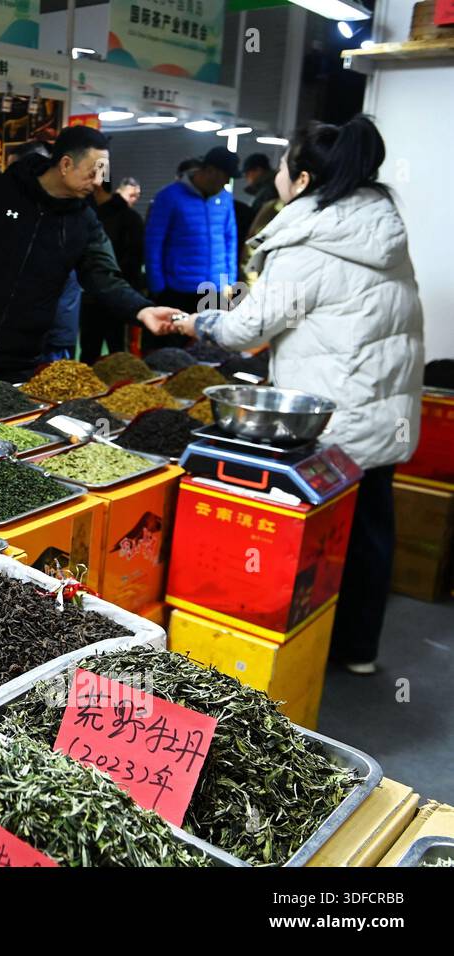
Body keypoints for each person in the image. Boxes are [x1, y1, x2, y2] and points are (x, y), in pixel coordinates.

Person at [162, 117, 423, 674]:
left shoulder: (311, 240)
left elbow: (245, 331)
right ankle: (358, 649)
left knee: (320, 534)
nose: (277, 176)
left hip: (331, 417)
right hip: (381, 412)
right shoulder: (379, 231)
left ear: (301, 179)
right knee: (370, 524)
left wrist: (194, 325)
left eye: (282, 167)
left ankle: (300, 642)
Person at [0, 126, 178, 399]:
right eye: (93, 172)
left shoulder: (84, 220)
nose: (97, 182)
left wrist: (141, 310)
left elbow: (104, 277)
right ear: (66, 164)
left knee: (10, 430)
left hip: (24, 353)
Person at [142, 145, 238, 350]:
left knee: (211, 351)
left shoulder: (225, 199)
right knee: (171, 349)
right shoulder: (169, 197)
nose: (225, 184)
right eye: (224, 178)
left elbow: (230, 239)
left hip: (214, 290)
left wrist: (229, 281)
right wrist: (157, 286)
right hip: (178, 289)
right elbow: (153, 243)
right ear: (211, 171)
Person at [80, 176, 146, 360]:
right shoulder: (131, 218)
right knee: (119, 353)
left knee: (89, 352)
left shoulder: (91, 217)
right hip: (121, 296)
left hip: (92, 295)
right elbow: (136, 260)